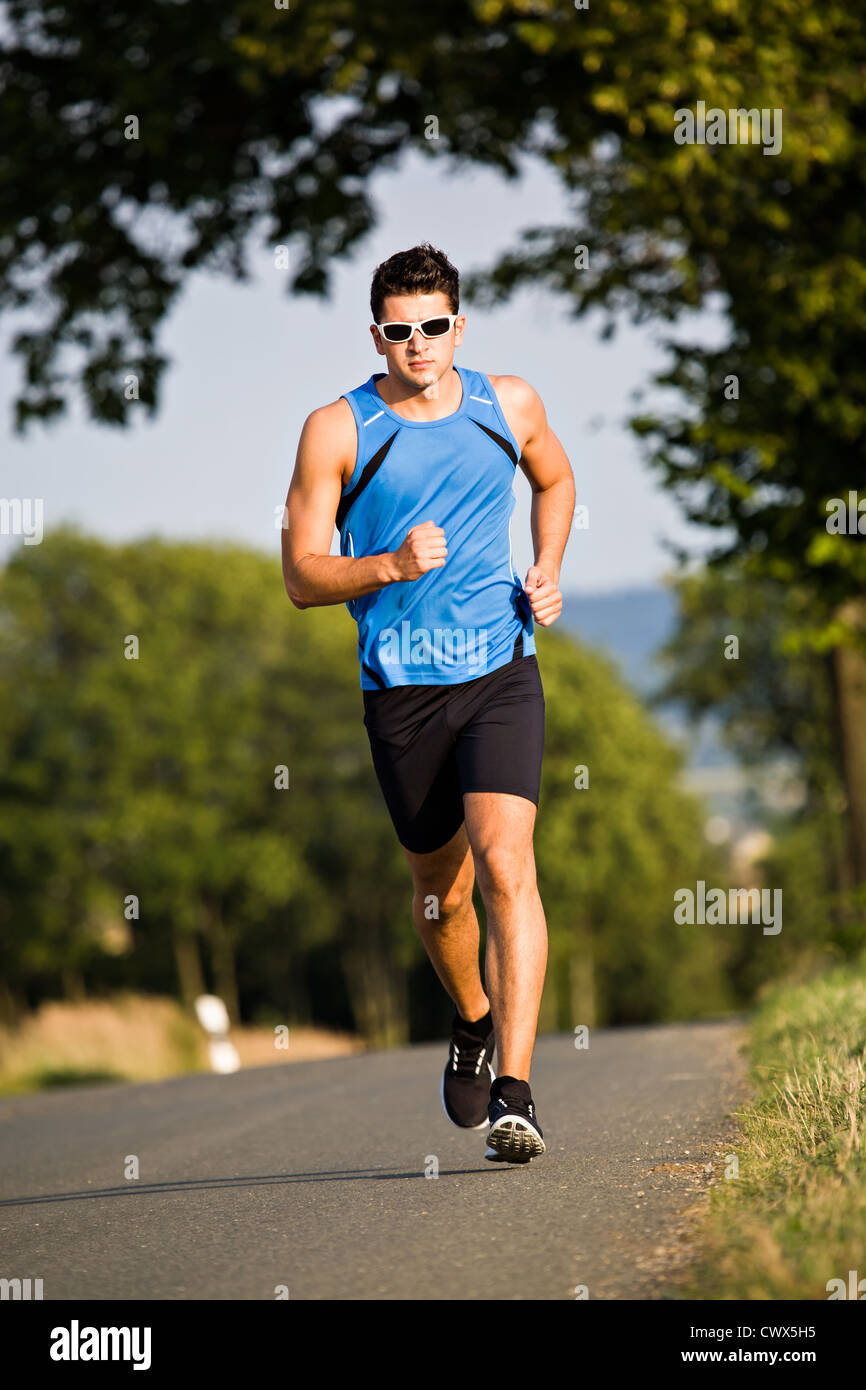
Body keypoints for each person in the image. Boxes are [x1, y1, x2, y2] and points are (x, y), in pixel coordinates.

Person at [281, 243, 574, 1163]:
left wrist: (548, 568)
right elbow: (299, 575)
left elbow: (556, 480)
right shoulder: (338, 428)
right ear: (377, 335)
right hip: (401, 689)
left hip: (499, 669)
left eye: (435, 327)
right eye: (401, 331)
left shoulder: (508, 402)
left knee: (505, 866)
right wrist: (388, 566)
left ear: (460, 326)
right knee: (441, 898)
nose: (420, 345)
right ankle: (472, 1018)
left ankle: (516, 1094)